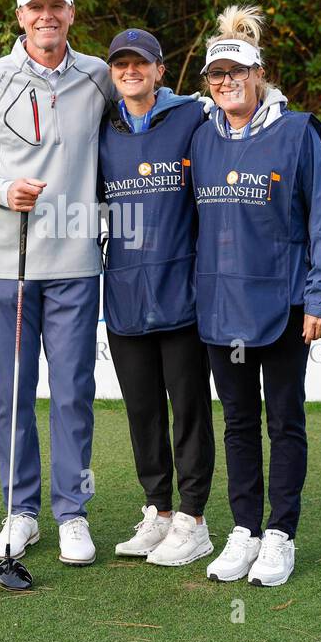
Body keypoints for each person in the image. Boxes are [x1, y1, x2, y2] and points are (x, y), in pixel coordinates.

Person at [0, 0, 113, 566]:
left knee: (74, 390)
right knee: (15, 392)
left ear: (71, 14)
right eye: (35, 8)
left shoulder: (98, 75)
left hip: (76, 258)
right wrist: (1, 188)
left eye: (56, 6)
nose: (46, 16)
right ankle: (21, 512)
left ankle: (71, 512)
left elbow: (148, 105)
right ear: (19, 17)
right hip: (7, 261)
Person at [189, 5, 321, 587]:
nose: (225, 81)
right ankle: (245, 530)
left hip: (282, 307)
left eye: (235, 72)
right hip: (219, 307)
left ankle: (280, 534)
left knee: (283, 419)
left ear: (259, 75)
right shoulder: (201, 138)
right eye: (215, 75)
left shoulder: (299, 132)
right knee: (236, 422)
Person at [99, 28, 216, 567]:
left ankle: (194, 520)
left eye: (139, 64)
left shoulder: (192, 116)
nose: (130, 72)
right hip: (124, 294)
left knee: (188, 410)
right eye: (121, 65)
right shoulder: (103, 129)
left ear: (159, 70)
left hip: (183, 295)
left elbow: (249, 111)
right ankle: (159, 512)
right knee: (142, 411)